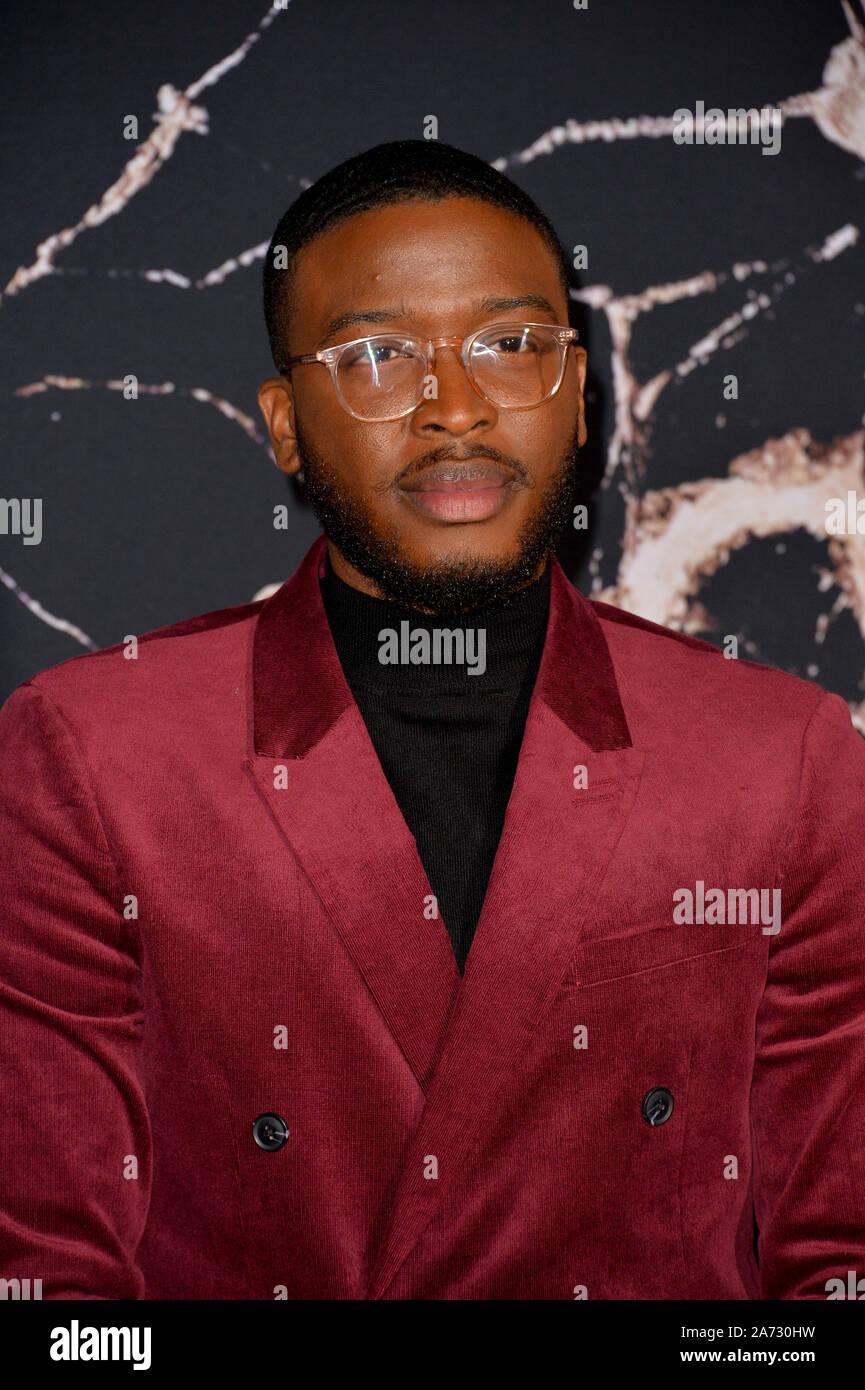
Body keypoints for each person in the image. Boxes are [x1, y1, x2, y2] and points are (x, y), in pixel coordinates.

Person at [1, 139, 863, 1301]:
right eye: (374, 355)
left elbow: (838, 1267)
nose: (454, 407)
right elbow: (49, 1286)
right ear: (286, 425)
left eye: (511, 344)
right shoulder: (91, 753)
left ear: (581, 391)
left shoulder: (783, 756)